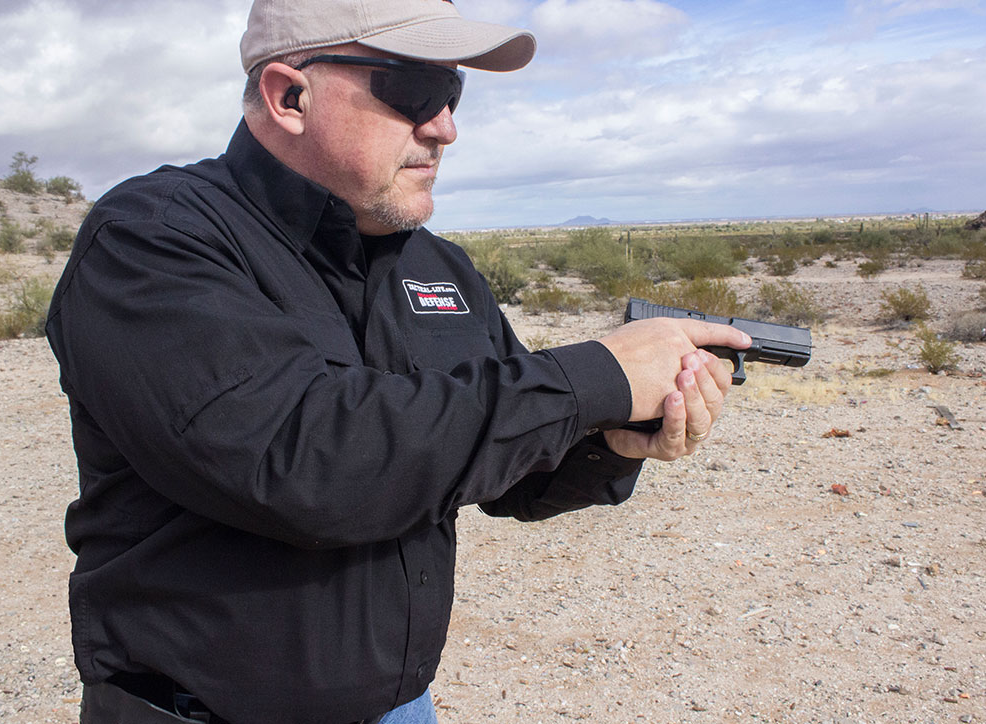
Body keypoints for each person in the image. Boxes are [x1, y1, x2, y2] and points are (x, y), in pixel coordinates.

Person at [46, 1, 750, 722]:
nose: (444, 126)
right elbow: (308, 461)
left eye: (452, 95)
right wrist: (595, 375)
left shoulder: (435, 266)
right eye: (413, 92)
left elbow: (508, 473)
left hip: (402, 707)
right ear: (289, 96)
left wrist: (611, 438)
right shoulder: (155, 239)